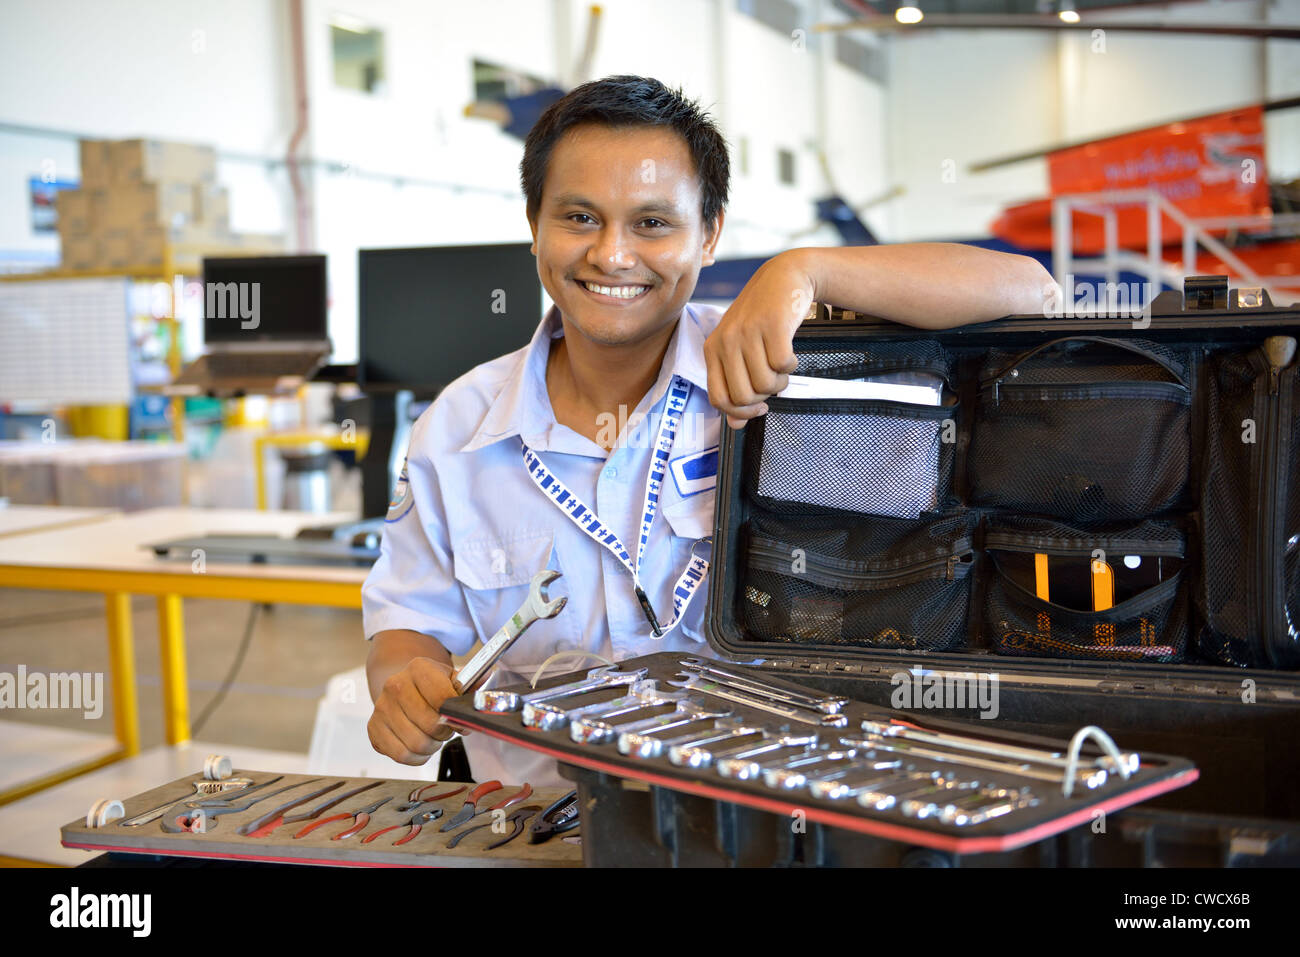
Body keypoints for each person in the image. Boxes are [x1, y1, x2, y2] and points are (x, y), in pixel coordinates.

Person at [362, 75, 1055, 787]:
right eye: (579, 217)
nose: (613, 255)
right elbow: (407, 623)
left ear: (710, 233)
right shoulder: (456, 428)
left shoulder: (782, 370)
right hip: (529, 822)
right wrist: (404, 681)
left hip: (751, 823)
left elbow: (1030, 289)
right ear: (534, 224)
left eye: (653, 223)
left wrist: (806, 270)